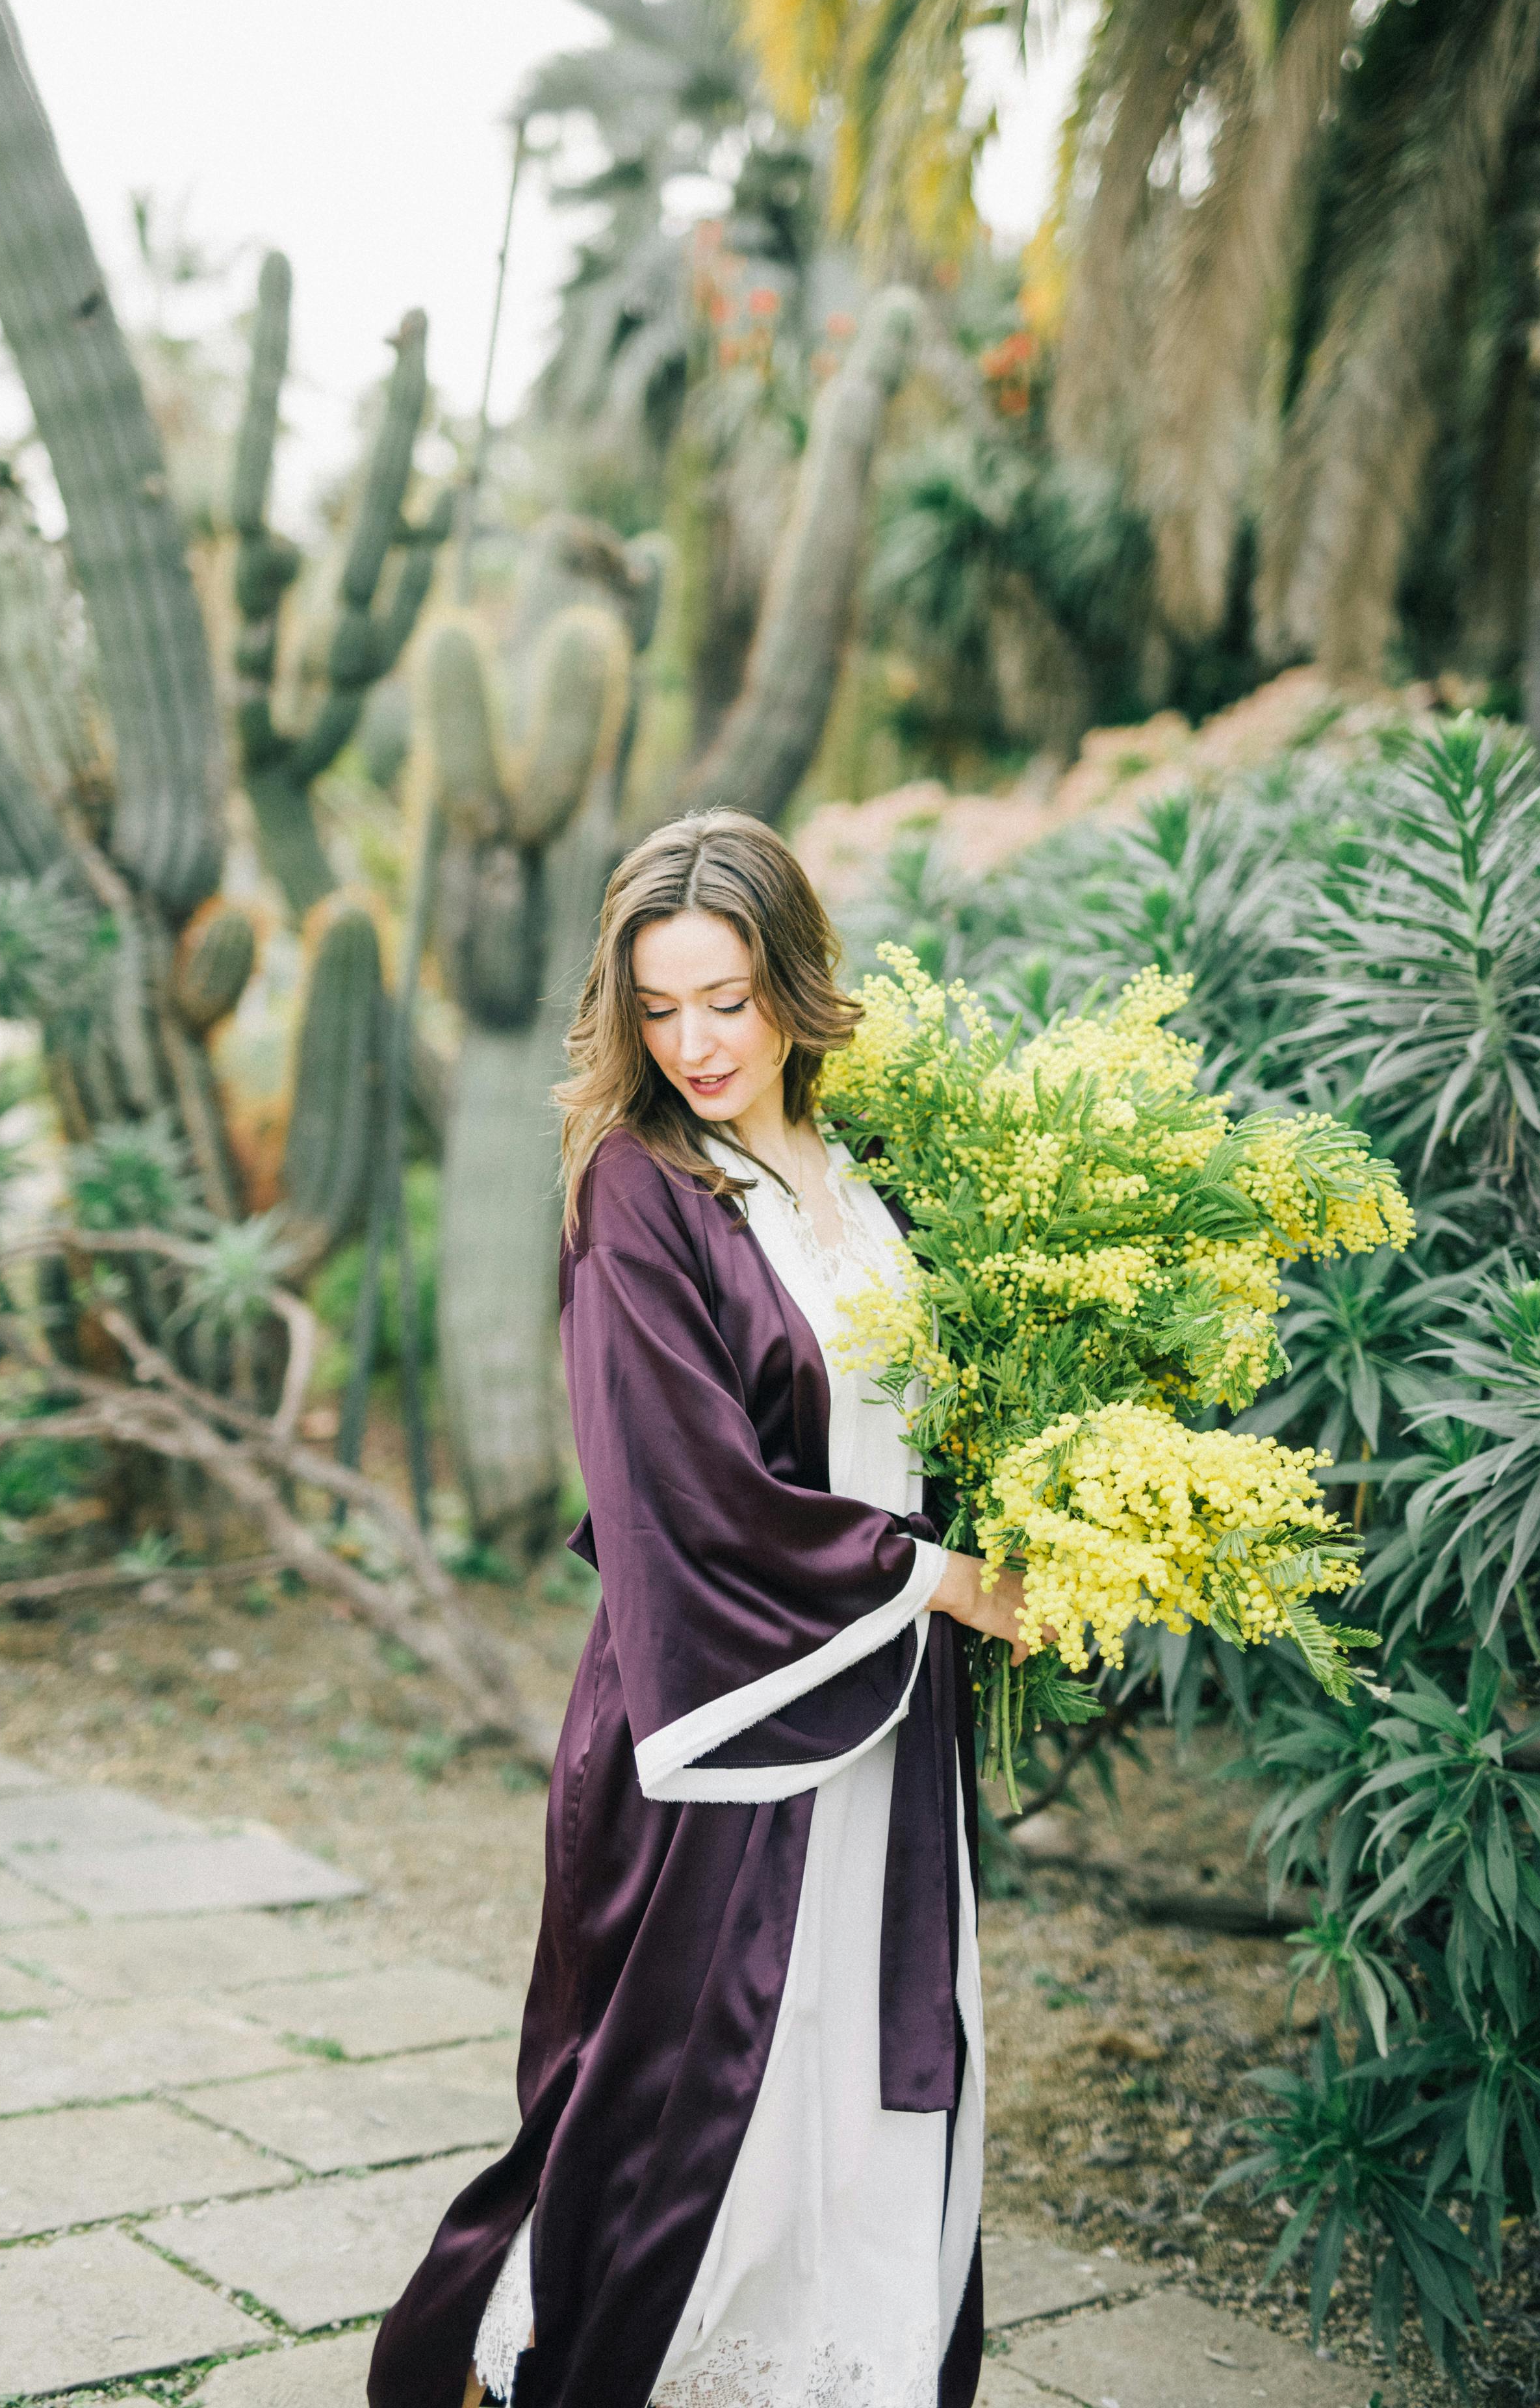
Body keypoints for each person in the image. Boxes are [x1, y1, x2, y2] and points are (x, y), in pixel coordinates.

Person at [369, 810, 1032, 2408]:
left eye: (726, 999)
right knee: (676, 2086)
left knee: (842, 2075)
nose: (696, 1044)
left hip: (877, 1711)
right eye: (660, 1009)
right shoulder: (636, 1191)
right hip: (722, 1700)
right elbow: (680, 1482)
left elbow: (922, 1413)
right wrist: (937, 1575)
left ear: (794, 982)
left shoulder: (863, 1171)